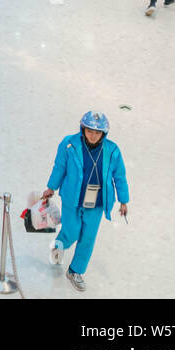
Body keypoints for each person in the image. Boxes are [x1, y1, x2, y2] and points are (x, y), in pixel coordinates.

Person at [41, 111, 130, 293]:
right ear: (83, 128)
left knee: (88, 238)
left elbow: (119, 176)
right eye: (89, 130)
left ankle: (75, 271)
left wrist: (123, 200)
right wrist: (51, 187)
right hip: (72, 198)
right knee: (71, 230)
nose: (93, 135)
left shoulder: (112, 150)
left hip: (97, 203)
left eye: (97, 132)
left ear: (104, 134)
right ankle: (59, 245)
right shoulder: (68, 144)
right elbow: (60, 167)